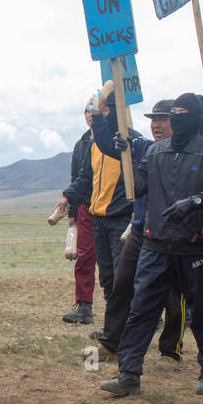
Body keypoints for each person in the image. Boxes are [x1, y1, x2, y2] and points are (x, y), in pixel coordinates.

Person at [99, 93, 203, 396]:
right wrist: (124, 157)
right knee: (141, 309)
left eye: (181, 115)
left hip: (194, 245)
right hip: (156, 246)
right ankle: (129, 374)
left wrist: (194, 202)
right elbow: (136, 188)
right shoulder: (154, 153)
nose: (175, 121)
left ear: (192, 119)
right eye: (173, 114)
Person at [94, 99, 185, 360]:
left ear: (175, 122)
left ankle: (170, 349)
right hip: (140, 230)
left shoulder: (186, 151)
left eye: (163, 119)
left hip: (173, 233)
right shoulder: (144, 147)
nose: (156, 125)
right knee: (122, 285)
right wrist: (100, 118)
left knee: (173, 295)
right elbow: (107, 146)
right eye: (153, 120)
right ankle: (111, 344)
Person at [57, 92, 143, 319]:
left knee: (123, 272)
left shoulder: (132, 141)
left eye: (104, 111)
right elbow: (85, 176)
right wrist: (68, 198)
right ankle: (112, 322)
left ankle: (133, 320)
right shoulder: (93, 144)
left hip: (122, 216)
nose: (97, 116)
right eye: (95, 112)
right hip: (98, 214)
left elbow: (143, 180)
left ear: (116, 111)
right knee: (106, 275)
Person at [61, 103, 98, 325]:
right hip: (86, 205)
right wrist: (73, 211)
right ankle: (84, 307)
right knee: (84, 257)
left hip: (115, 207)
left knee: (122, 259)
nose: (91, 116)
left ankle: (135, 308)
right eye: (87, 112)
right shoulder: (82, 143)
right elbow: (77, 178)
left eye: (95, 111)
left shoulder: (119, 138)